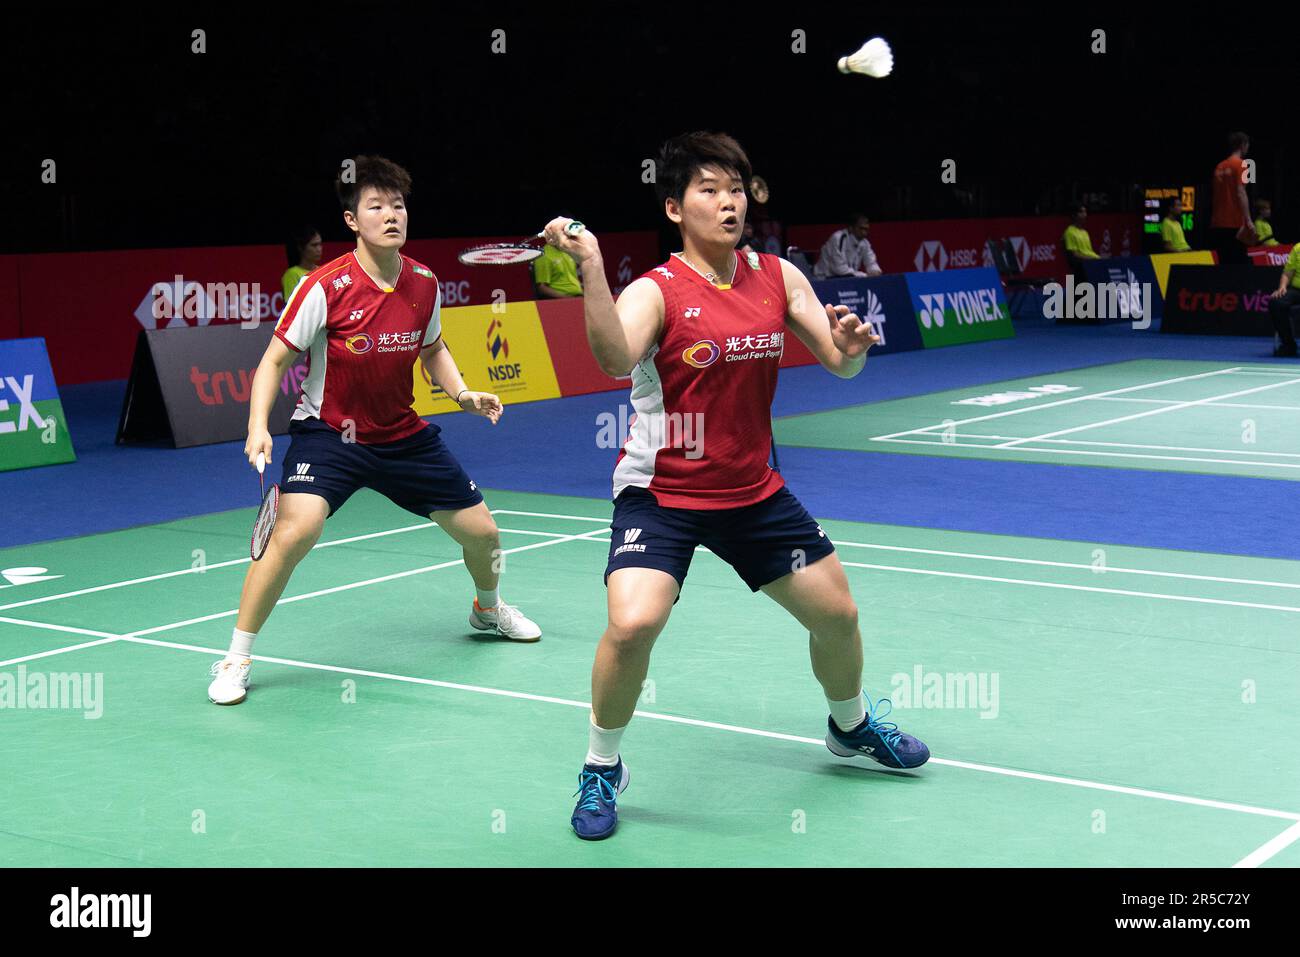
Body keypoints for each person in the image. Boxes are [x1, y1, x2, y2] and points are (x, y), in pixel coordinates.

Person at [543, 131, 929, 842]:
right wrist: (590, 268)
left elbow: (838, 361)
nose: (727, 204)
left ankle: (848, 727)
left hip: (753, 492)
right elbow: (609, 356)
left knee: (837, 616)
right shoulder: (655, 291)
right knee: (632, 624)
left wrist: (852, 347)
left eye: (735, 190)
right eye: (708, 191)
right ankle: (602, 766)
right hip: (662, 493)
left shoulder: (777, 276)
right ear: (673, 207)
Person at [208, 155, 541, 706]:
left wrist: (461, 394)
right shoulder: (325, 286)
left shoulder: (424, 283)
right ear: (351, 220)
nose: (392, 215)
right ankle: (237, 656)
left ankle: (487, 610)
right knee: (296, 531)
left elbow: (433, 348)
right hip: (328, 435)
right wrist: (257, 428)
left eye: (399, 205)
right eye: (376, 206)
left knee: (484, 534)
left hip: (400, 435)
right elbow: (272, 362)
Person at [1209, 131, 1255, 264]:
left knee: (1224, 264)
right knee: (1238, 265)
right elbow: (1241, 193)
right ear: (1243, 145)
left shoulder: (1219, 166)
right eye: (1247, 145)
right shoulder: (1243, 164)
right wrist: (1248, 220)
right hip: (1235, 223)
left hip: (1218, 223)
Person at [813, 213, 882, 278]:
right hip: (823, 278)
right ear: (851, 228)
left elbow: (871, 262)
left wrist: (875, 271)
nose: (864, 233)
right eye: (861, 229)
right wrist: (864, 275)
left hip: (847, 279)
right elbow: (838, 268)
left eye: (866, 229)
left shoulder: (864, 243)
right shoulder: (838, 238)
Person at [1268, 243, 1300, 357]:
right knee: (1276, 303)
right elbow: (1287, 272)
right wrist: (1282, 287)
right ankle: (1289, 345)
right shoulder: (1298, 248)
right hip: (1297, 290)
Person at [282, 226, 323, 300]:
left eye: (320, 244)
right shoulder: (292, 274)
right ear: (301, 248)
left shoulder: (323, 270)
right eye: (314, 245)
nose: (319, 249)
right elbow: (292, 305)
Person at [1062, 204, 1100, 283]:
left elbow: (1089, 252)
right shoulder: (1069, 232)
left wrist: (1098, 258)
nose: (1085, 215)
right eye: (1081, 212)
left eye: (1085, 212)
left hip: (1092, 265)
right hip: (1080, 270)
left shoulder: (1085, 232)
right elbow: (1074, 254)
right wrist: (1093, 259)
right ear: (1074, 215)